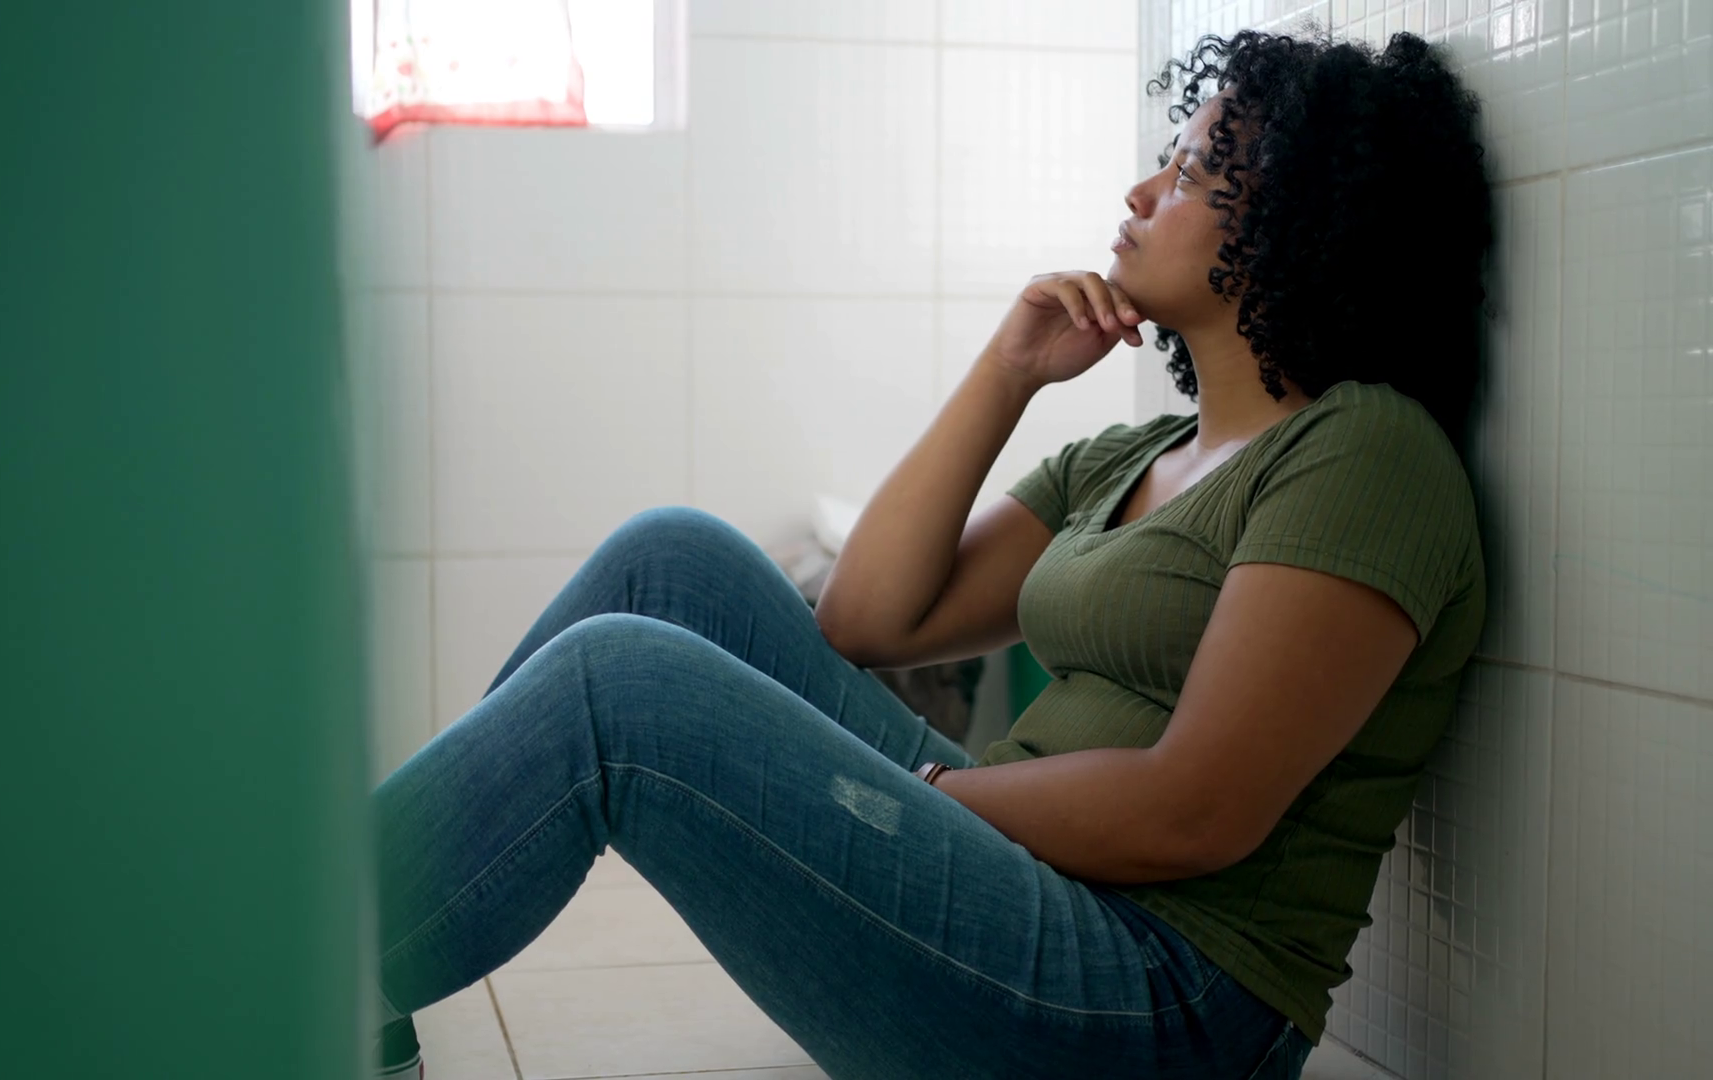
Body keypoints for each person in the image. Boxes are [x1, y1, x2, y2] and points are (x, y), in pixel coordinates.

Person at [370, 25, 1495, 1080]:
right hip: (1026, 882)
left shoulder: (1365, 451)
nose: (1141, 193)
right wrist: (1009, 371)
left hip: (1153, 989)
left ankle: (304, 972)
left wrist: (928, 797)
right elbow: (868, 620)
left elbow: (1193, 811)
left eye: (1192, 173)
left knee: (619, 682)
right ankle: (350, 955)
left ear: (1299, 224)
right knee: (671, 561)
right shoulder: (1137, 454)